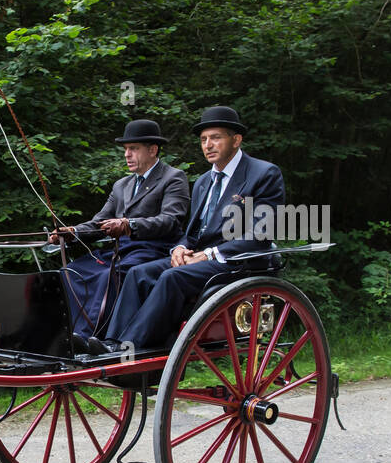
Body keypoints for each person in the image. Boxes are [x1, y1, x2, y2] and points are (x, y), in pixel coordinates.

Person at [88, 105, 284, 353]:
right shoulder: (203, 181)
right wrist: (180, 248)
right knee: (139, 273)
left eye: (215, 137)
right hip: (200, 258)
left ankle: (131, 347)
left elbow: (260, 235)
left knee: (173, 277)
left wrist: (207, 254)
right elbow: (193, 231)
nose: (208, 145)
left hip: (237, 260)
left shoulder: (263, 174)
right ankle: (113, 342)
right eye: (203, 139)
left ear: (236, 140)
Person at [51, 119, 190, 341]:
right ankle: (67, 334)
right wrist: (73, 232)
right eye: (126, 149)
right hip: (119, 249)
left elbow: (171, 220)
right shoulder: (121, 185)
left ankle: (93, 338)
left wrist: (129, 225)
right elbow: (99, 223)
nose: (127, 155)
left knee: (109, 276)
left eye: (133, 149)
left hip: (152, 249)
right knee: (70, 272)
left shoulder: (173, 178)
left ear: (152, 150)